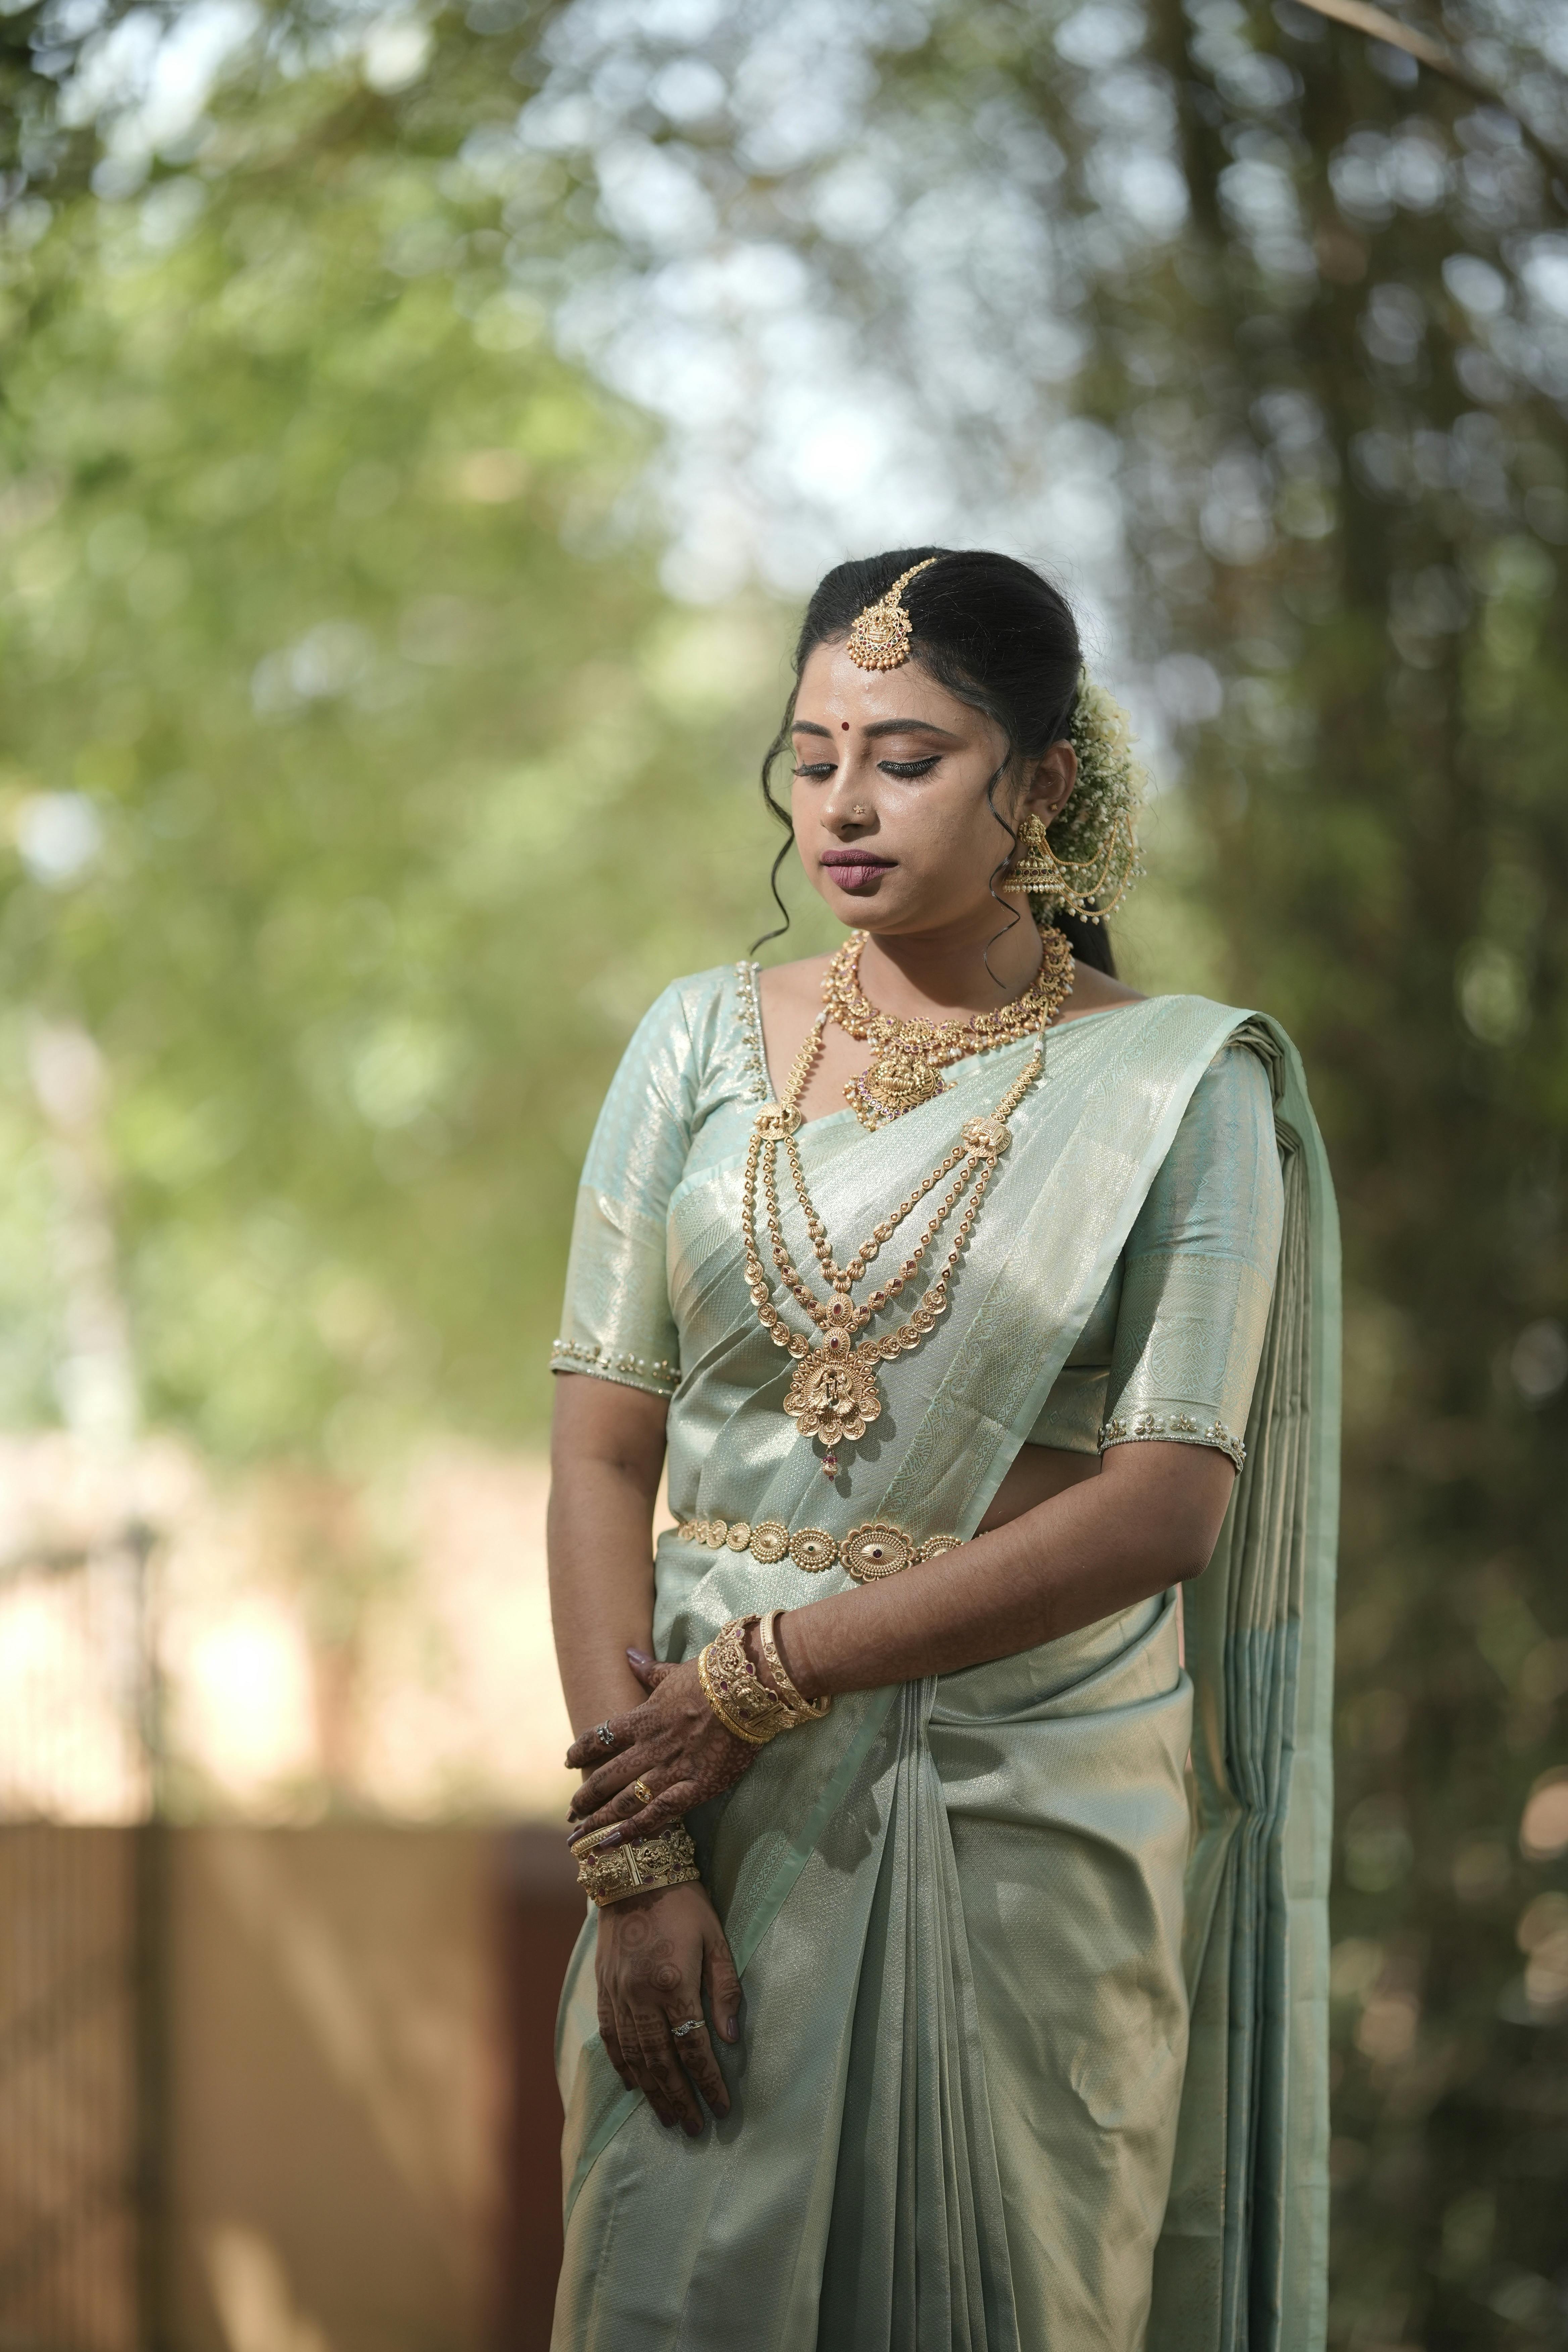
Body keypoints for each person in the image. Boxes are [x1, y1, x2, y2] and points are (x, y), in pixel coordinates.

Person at [546, 548, 1338, 2352]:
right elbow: (601, 1457)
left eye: (906, 758)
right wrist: (638, 1861)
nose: (842, 803)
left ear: (1040, 783)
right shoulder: (695, 1045)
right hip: (698, 1810)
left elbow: (1168, 1506)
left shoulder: (1178, 1091)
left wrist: (771, 1670)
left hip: (1023, 1811)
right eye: (812, 755)